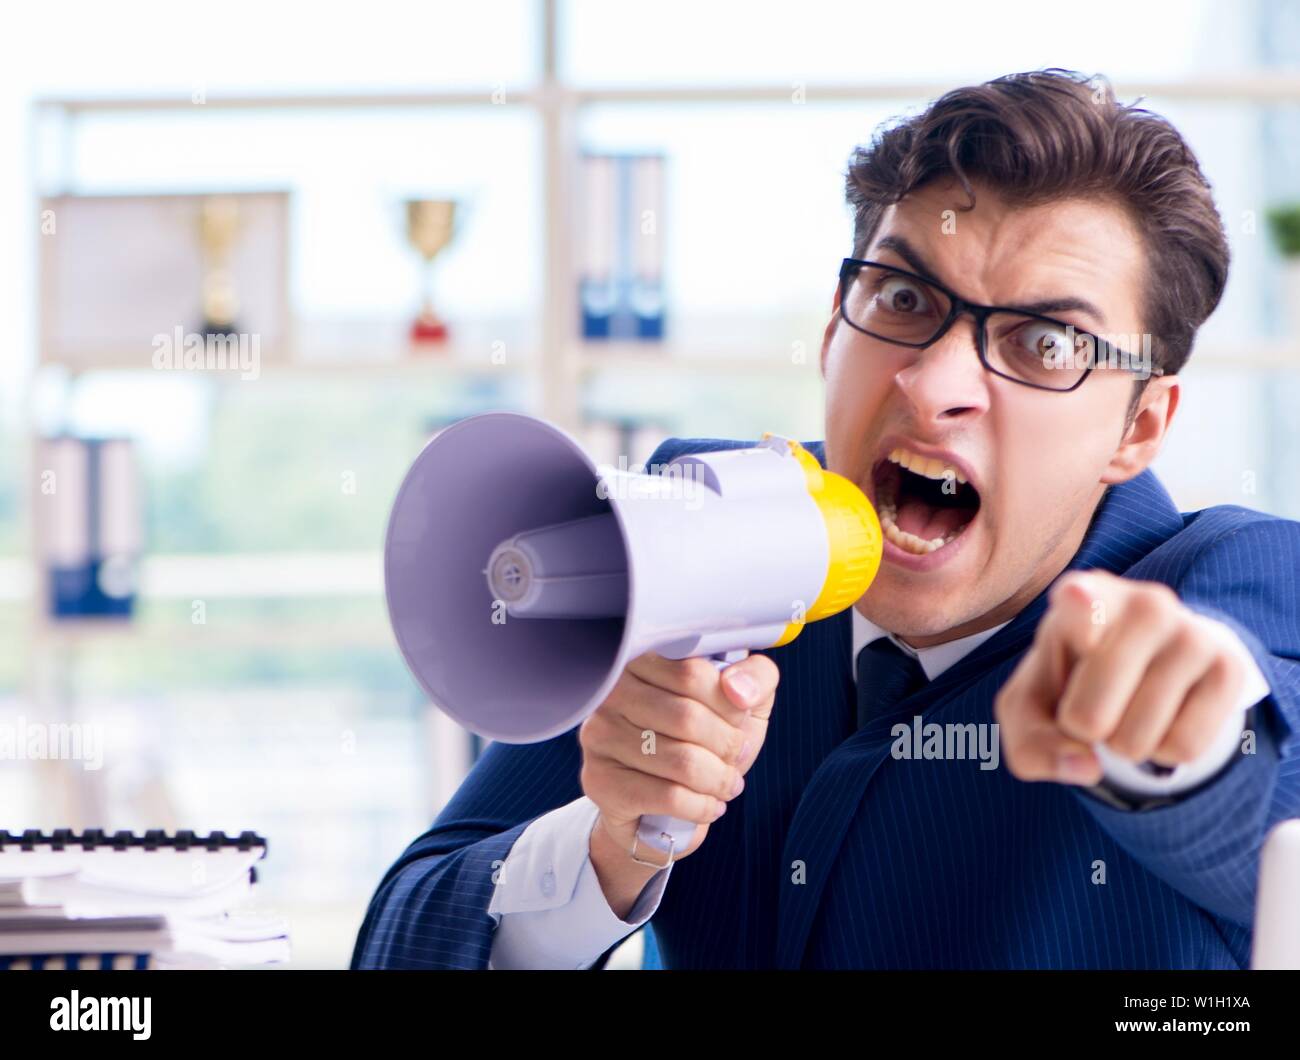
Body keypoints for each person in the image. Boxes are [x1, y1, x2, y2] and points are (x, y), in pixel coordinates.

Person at [352, 69, 1300, 970]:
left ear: (1139, 425)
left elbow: (1269, 815)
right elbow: (403, 941)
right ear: (831, 331)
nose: (932, 387)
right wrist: (606, 848)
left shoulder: (1229, 583)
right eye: (902, 298)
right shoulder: (700, 526)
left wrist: (1189, 744)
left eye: (1045, 343)